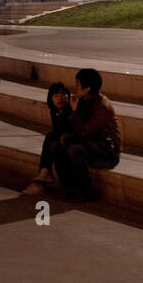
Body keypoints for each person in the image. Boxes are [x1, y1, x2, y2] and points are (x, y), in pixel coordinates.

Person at [53, 68, 121, 202]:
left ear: (87, 88)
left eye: (78, 84)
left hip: (107, 152)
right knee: (57, 146)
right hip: (92, 144)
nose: (75, 87)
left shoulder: (101, 107)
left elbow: (83, 131)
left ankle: (86, 191)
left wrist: (74, 111)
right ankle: (71, 189)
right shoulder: (84, 100)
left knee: (75, 150)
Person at [21, 83, 72, 195]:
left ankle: (44, 173)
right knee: (50, 138)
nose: (60, 98)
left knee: (50, 137)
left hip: (71, 141)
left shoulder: (71, 111)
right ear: (51, 99)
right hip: (61, 141)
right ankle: (43, 175)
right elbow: (57, 131)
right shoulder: (55, 112)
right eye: (56, 96)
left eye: (63, 95)